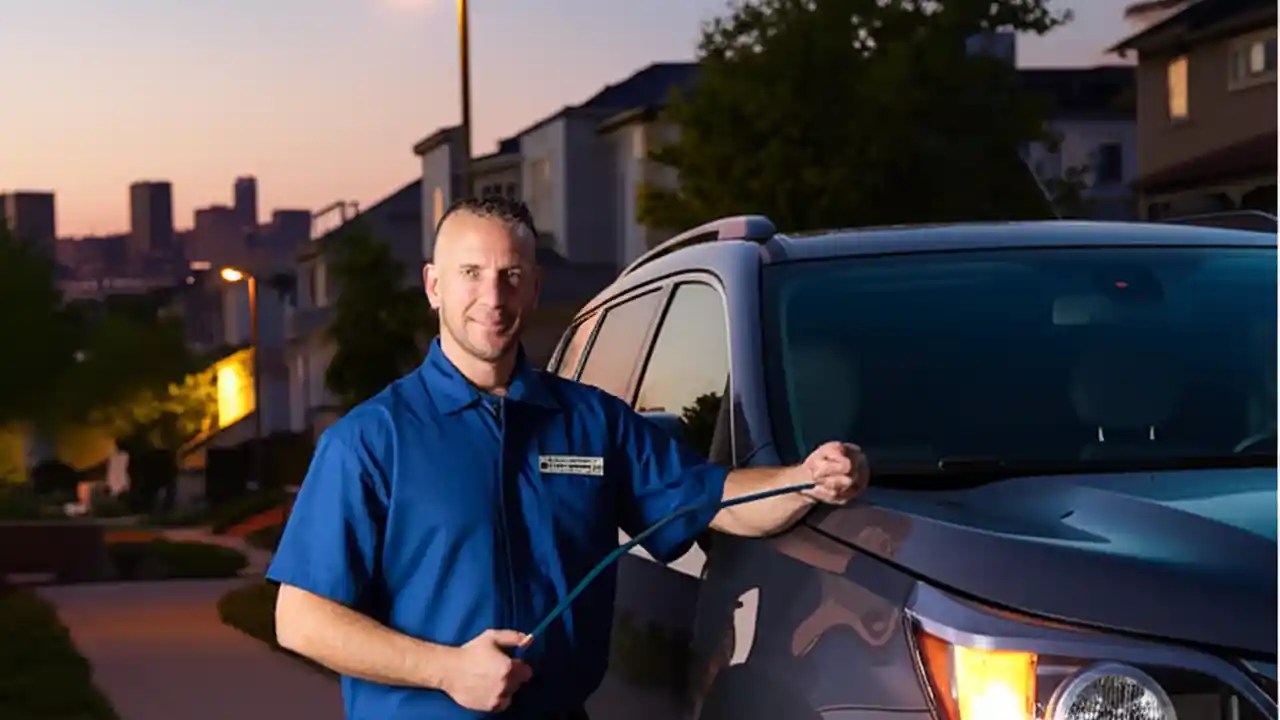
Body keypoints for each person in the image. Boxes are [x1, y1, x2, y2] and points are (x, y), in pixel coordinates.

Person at [266, 196, 869, 719]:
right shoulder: (371, 440)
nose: (491, 297)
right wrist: (446, 670)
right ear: (433, 286)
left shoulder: (592, 423)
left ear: (534, 286)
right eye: (470, 273)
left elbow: (720, 502)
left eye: (511, 274)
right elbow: (300, 619)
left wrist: (807, 480)